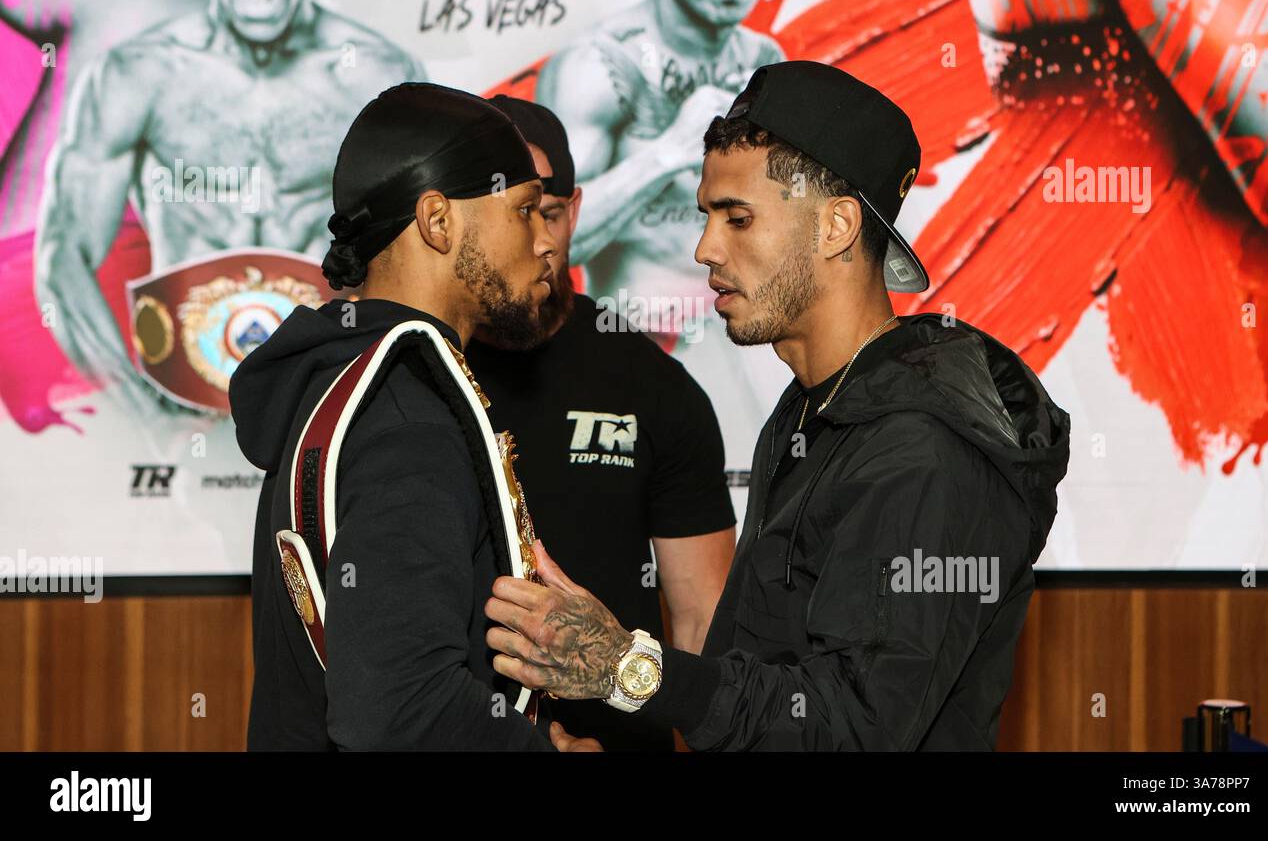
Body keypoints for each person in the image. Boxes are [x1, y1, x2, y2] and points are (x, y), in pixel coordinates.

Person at [486, 61, 1072, 750]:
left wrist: (627, 667)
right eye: (707, 216)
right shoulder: (810, 412)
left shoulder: (921, 449)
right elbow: (753, 675)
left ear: (836, 227)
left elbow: (853, 728)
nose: (706, 248)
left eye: (738, 218)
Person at [230, 82, 576, 750]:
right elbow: (396, 707)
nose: (546, 243)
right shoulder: (406, 411)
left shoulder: (344, 375)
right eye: (527, 210)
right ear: (438, 220)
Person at [33, 0, 423, 414]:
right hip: (180, 398)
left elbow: (425, 251)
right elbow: (64, 256)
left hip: (331, 398)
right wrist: (139, 413)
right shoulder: (137, 75)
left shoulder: (380, 78)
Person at [465, 95, 736, 751]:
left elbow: (706, 633)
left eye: (547, 213)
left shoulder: (652, 384)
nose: (531, 243)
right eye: (509, 215)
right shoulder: (413, 374)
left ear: (575, 213)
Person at [536, 0, 787, 479]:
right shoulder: (597, 67)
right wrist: (669, 153)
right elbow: (545, 241)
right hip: (629, 362)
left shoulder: (765, 61)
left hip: (744, 365)